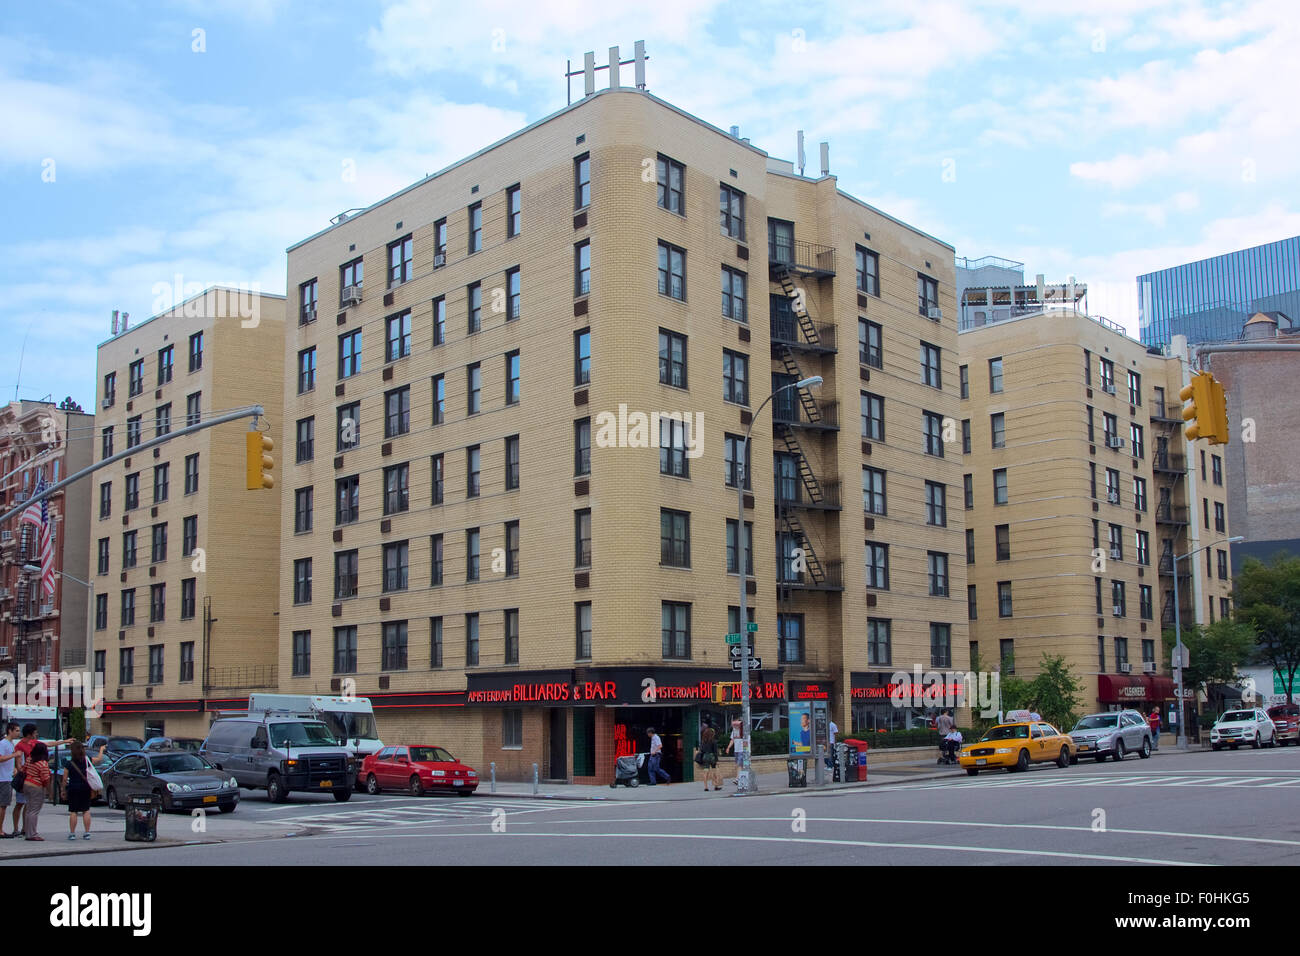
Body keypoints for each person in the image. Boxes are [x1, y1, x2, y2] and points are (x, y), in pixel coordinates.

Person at [61, 740, 108, 840]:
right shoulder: (88, 760)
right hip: (85, 788)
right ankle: (87, 833)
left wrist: (63, 790)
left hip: (73, 788)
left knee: (73, 811)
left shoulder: (69, 764)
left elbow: (64, 779)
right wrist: (101, 750)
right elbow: (99, 759)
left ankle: (72, 833)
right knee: (86, 810)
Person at [22, 741, 52, 841]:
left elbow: (24, 770)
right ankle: (32, 834)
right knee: (34, 810)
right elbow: (45, 779)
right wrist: (49, 791)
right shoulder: (43, 763)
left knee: (29, 809)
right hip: (36, 786)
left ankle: (27, 831)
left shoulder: (29, 759)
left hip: (26, 784)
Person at [0, 722, 20, 838]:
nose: (18, 733)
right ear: (10, 731)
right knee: (3, 805)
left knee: (4, 805)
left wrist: (13, 768)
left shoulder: (10, 743)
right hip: (3, 779)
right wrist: (14, 755)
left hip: (7, 777)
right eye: (16, 730)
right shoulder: (3, 743)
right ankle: (0, 830)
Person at [698, 725, 722, 792]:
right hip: (712, 757)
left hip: (705, 756)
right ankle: (716, 786)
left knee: (706, 772)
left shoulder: (703, 741)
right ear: (712, 734)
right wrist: (717, 760)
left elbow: (701, 750)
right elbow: (715, 752)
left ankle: (706, 787)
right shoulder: (713, 741)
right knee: (714, 771)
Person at [725, 718, 744, 784]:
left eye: (736, 724)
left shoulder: (743, 731)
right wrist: (728, 747)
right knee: (739, 765)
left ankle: (737, 778)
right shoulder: (734, 731)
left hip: (742, 750)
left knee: (739, 765)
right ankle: (740, 778)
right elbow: (732, 740)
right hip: (736, 750)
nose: (735, 726)